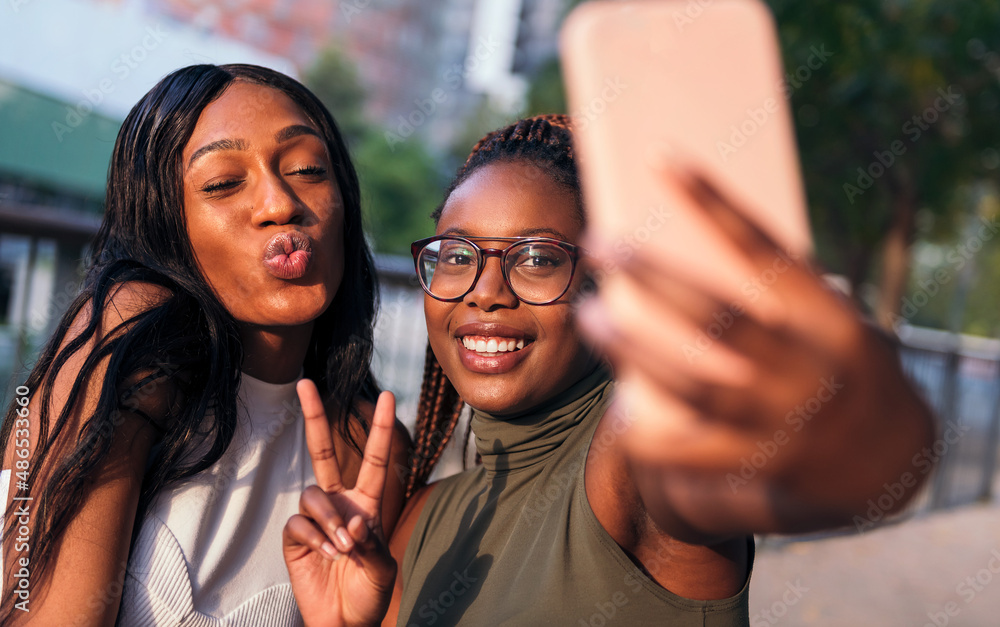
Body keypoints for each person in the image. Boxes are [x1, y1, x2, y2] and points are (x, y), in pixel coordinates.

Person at [283, 115, 936, 626]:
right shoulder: (423, 514)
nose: (483, 291)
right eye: (457, 255)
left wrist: (869, 432)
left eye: (537, 258)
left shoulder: (626, 453)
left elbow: (832, 463)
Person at [0, 64, 409, 626]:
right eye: (222, 182)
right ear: (166, 224)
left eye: (307, 169)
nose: (279, 203)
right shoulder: (125, 340)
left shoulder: (369, 451)